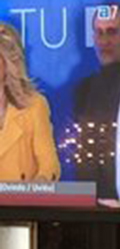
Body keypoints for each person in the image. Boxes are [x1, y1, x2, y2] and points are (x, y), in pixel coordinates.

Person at [72, 0, 120, 204]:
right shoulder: (86, 90)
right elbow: (86, 160)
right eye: (99, 33)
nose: (104, 41)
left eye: (111, 32)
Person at [0, 21, 59, 182]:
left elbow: (49, 164)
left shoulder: (35, 105)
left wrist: (38, 187)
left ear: (8, 63)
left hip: (20, 203)